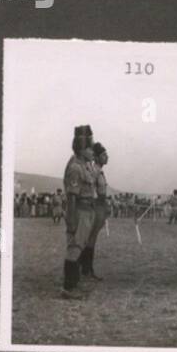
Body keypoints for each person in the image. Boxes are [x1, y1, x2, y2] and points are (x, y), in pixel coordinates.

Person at [61, 125, 98, 298]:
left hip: (87, 210)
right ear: (82, 149)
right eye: (90, 148)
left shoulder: (85, 165)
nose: (93, 151)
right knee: (74, 247)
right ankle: (69, 288)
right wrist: (72, 219)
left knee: (79, 246)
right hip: (80, 211)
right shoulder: (76, 168)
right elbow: (72, 197)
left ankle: (74, 283)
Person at [80, 142, 109, 281]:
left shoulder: (100, 171)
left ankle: (87, 269)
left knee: (93, 239)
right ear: (96, 157)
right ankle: (86, 270)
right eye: (104, 155)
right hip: (95, 207)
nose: (107, 157)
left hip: (101, 207)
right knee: (90, 239)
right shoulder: (94, 171)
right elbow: (92, 191)